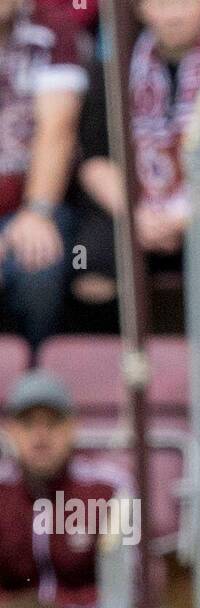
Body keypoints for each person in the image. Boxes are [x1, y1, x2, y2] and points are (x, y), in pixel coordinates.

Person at [73, 0, 200, 358]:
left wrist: (184, 214)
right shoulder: (114, 69)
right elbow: (94, 160)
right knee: (88, 263)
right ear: (138, 8)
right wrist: (138, 213)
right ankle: (128, 378)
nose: (172, 12)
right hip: (134, 211)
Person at [0, 370, 128, 608]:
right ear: (11, 431)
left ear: (72, 428)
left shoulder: (109, 487)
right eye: (29, 425)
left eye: (52, 424)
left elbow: (130, 579)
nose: (40, 437)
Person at [0, 0, 86, 348]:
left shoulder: (53, 30)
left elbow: (57, 129)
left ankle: (33, 388)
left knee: (36, 266)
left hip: (34, 205)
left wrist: (36, 213)